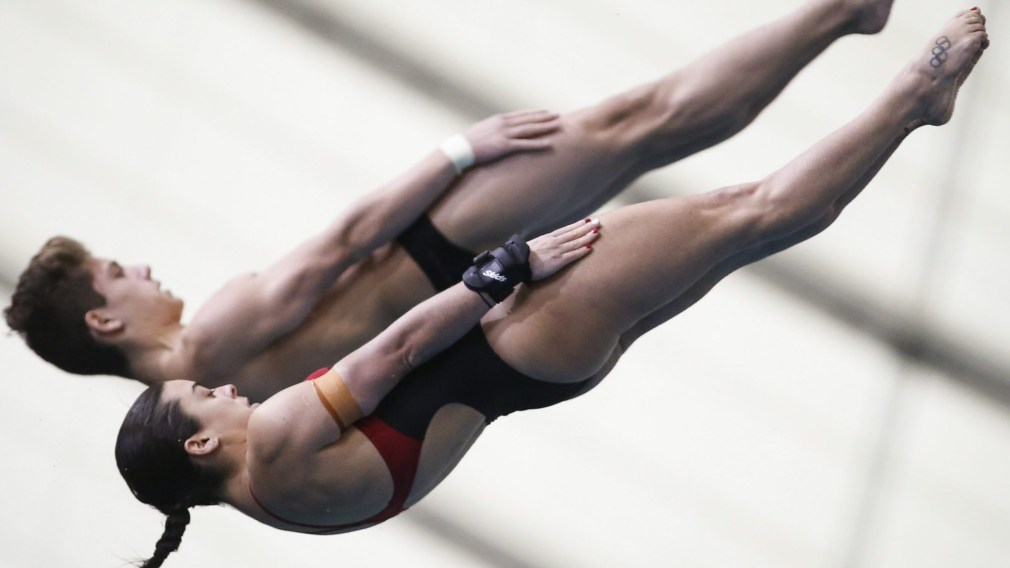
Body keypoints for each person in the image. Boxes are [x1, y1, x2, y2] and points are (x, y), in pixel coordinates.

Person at [115, 10, 989, 567]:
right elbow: (399, 348)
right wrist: (506, 269)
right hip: (521, 324)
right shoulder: (271, 440)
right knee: (742, 210)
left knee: (741, 233)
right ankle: (913, 99)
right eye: (206, 398)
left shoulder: (284, 514)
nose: (228, 390)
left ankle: (896, 91)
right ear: (201, 443)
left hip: (540, 376)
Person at [5, 0, 898, 402]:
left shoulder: (207, 411)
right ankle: (841, 12)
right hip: (441, 242)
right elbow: (344, 241)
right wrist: (458, 151)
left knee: (653, 143)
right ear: (104, 323)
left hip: (477, 302)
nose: (142, 267)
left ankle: (839, 16)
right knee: (638, 120)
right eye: (116, 273)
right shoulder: (208, 337)